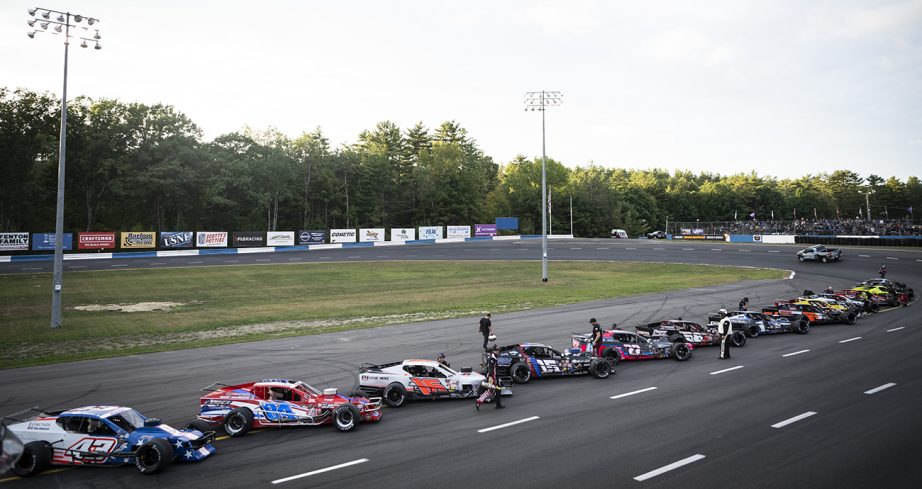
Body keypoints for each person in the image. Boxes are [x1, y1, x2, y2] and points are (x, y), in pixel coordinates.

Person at [476, 345, 504, 410]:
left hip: (494, 376)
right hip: (492, 377)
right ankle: (479, 401)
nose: (498, 351)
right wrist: (491, 379)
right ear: (494, 351)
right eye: (497, 350)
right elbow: (491, 369)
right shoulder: (492, 358)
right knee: (491, 391)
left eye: (498, 350)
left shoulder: (493, 356)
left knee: (497, 390)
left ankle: (498, 404)